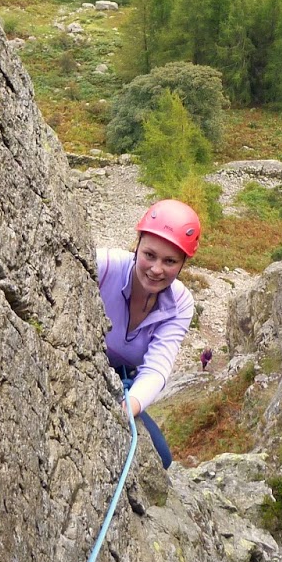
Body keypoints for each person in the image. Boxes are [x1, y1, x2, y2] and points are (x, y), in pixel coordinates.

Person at [96, 199, 200, 468]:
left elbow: (157, 367)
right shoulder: (105, 266)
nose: (156, 269)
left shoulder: (181, 304)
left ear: (182, 264)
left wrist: (130, 405)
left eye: (170, 261)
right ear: (137, 245)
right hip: (84, 361)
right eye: (149, 255)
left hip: (120, 382)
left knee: (162, 458)